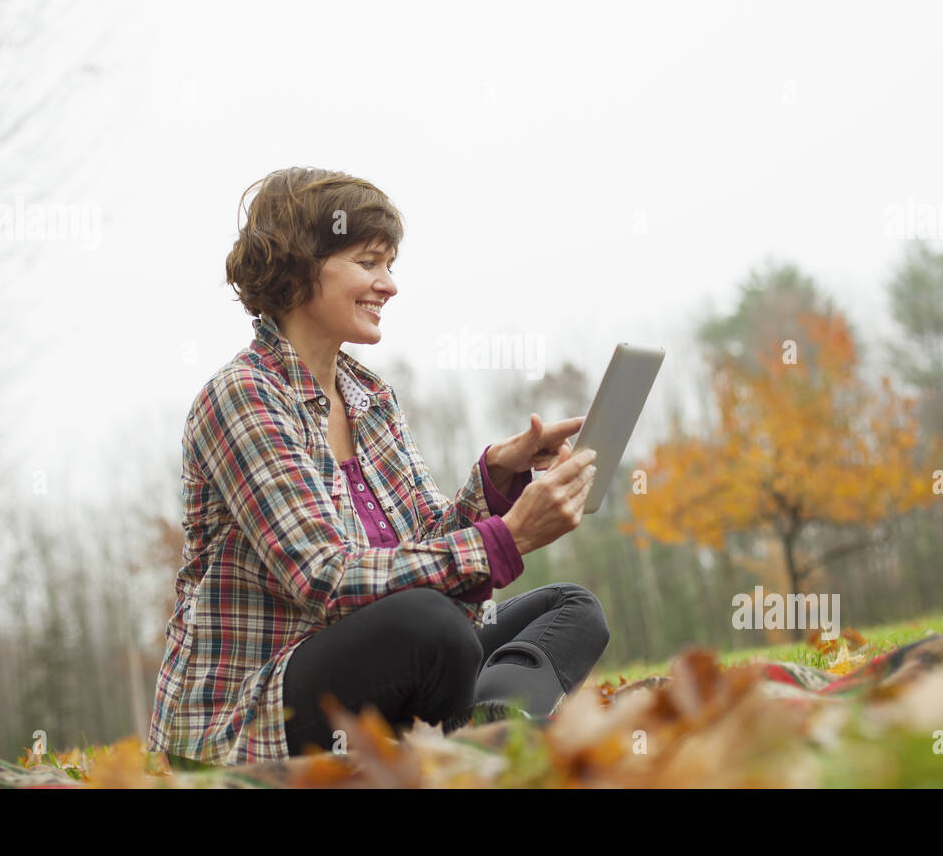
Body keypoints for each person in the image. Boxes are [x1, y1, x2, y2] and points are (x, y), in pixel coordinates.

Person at [147, 167, 609, 768]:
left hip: (391, 659)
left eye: (389, 265)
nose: (388, 285)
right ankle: (481, 728)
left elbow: (422, 550)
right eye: (369, 263)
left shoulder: (369, 396)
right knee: (430, 627)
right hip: (253, 711)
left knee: (571, 608)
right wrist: (508, 538)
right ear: (298, 265)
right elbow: (325, 578)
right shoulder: (243, 396)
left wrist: (495, 479)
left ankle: (493, 727)